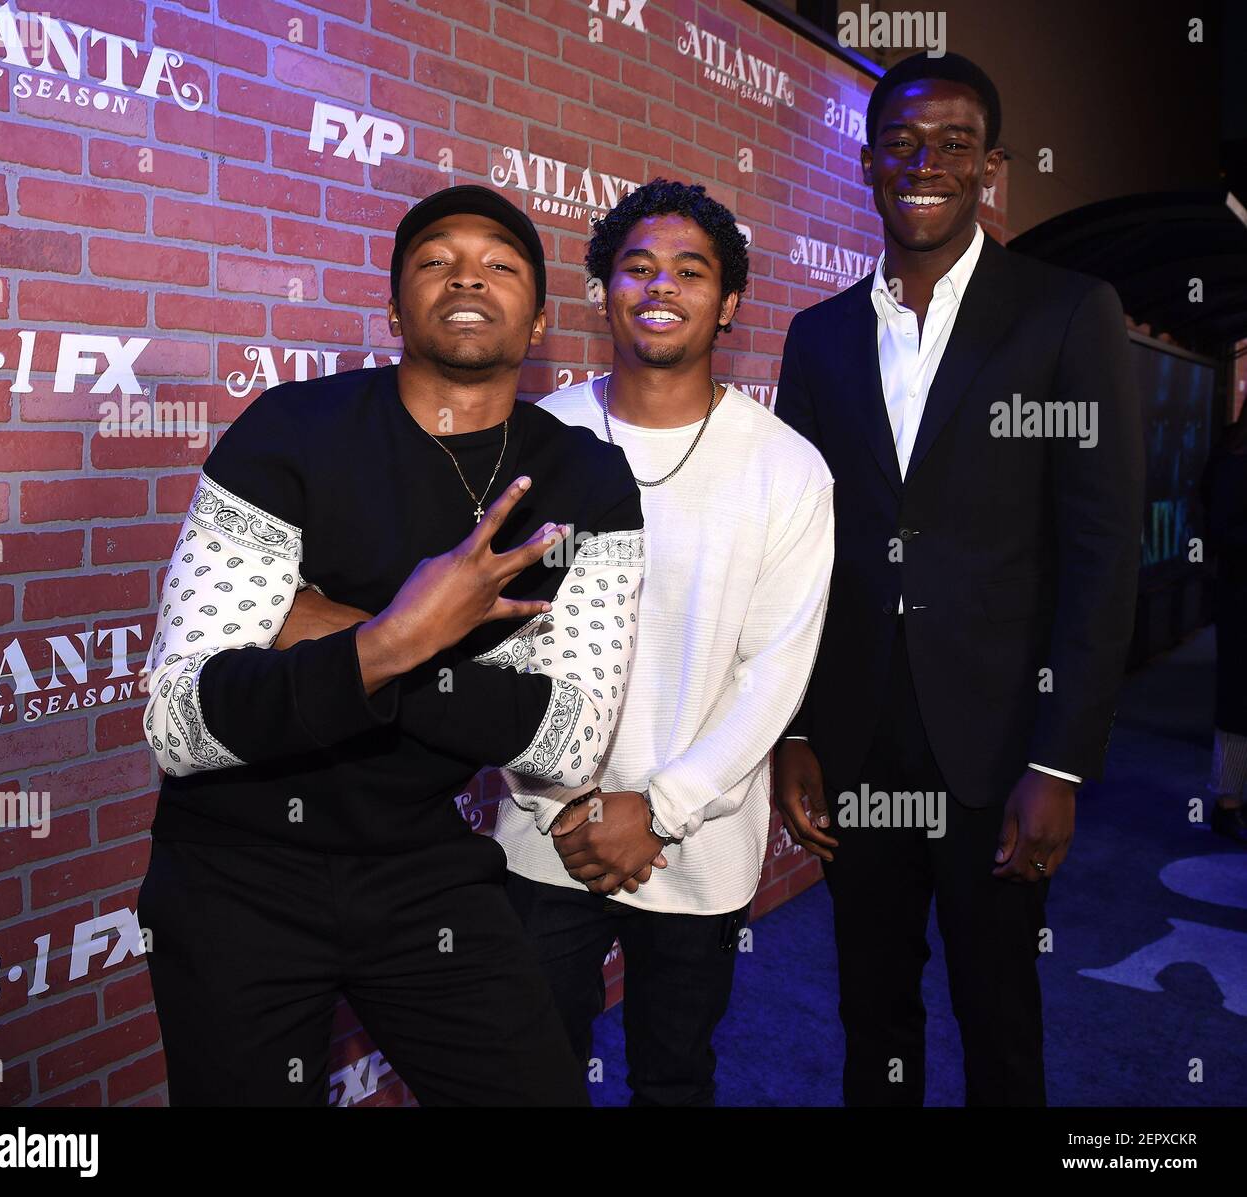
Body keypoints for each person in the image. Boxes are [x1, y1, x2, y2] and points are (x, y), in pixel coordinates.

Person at [138, 185, 645, 1106]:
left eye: (501, 264)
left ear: (537, 320)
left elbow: (568, 740)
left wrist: (372, 641)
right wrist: (406, 647)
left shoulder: (588, 478)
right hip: (233, 864)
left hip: (419, 863)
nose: (467, 276)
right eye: (434, 259)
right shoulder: (290, 429)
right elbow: (181, 722)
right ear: (394, 306)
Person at [773, 53, 1143, 1106]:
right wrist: (798, 730)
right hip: (856, 740)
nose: (923, 162)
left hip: (1000, 747)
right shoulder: (818, 336)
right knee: (869, 1007)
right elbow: (804, 550)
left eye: (951, 143)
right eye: (900, 142)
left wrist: (1062, 765)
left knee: (998, 1016)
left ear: (990, 167)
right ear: (866, 162)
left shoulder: (1069, 312)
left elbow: (1099, 551)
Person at [494, 179, 835, 1106]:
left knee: (675, 1076)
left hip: (700, 836)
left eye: (691, 271)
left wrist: (659, 806)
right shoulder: (538, 436)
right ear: (605, 287)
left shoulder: (787, 467)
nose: (660, 286)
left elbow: (776, 671)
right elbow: (495, 639)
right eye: (637, 266)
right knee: (529, 1075)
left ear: (726, 304)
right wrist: (566, 797)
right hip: (544, 831)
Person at [1201, 403, 1247, 843]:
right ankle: (1227, 803)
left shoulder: (1229, 450)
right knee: (1237, 704)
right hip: (1240, 599)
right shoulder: (1235, 456)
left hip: (1236, 594)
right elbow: (1221, 528)